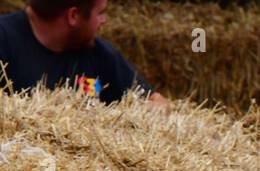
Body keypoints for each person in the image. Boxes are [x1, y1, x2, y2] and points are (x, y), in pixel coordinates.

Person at [0, 0, 165, 106]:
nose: (104, 20)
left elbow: (158, 103)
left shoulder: (100, 53)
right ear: (73, 15)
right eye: (100, 13)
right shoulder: (5, 39)